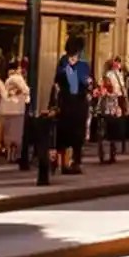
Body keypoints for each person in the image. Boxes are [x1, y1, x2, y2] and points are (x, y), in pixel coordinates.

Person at [53, 36, 93, 175]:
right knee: (76, 135)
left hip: (65, 101)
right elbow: (85, 82)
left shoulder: (63, 62)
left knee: (64, 134)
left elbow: (57, 78)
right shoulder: (82, 64)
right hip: (78, 103)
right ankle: (75, 162)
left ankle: (62, 162)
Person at [0, 60, 30, 163]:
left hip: (6, 109)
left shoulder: (7, 80)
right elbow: (26, 90)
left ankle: (9, 154)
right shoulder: (18, 79)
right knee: (17, 134)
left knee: (8, 134)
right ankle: (16, 155)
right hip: (17, 110)